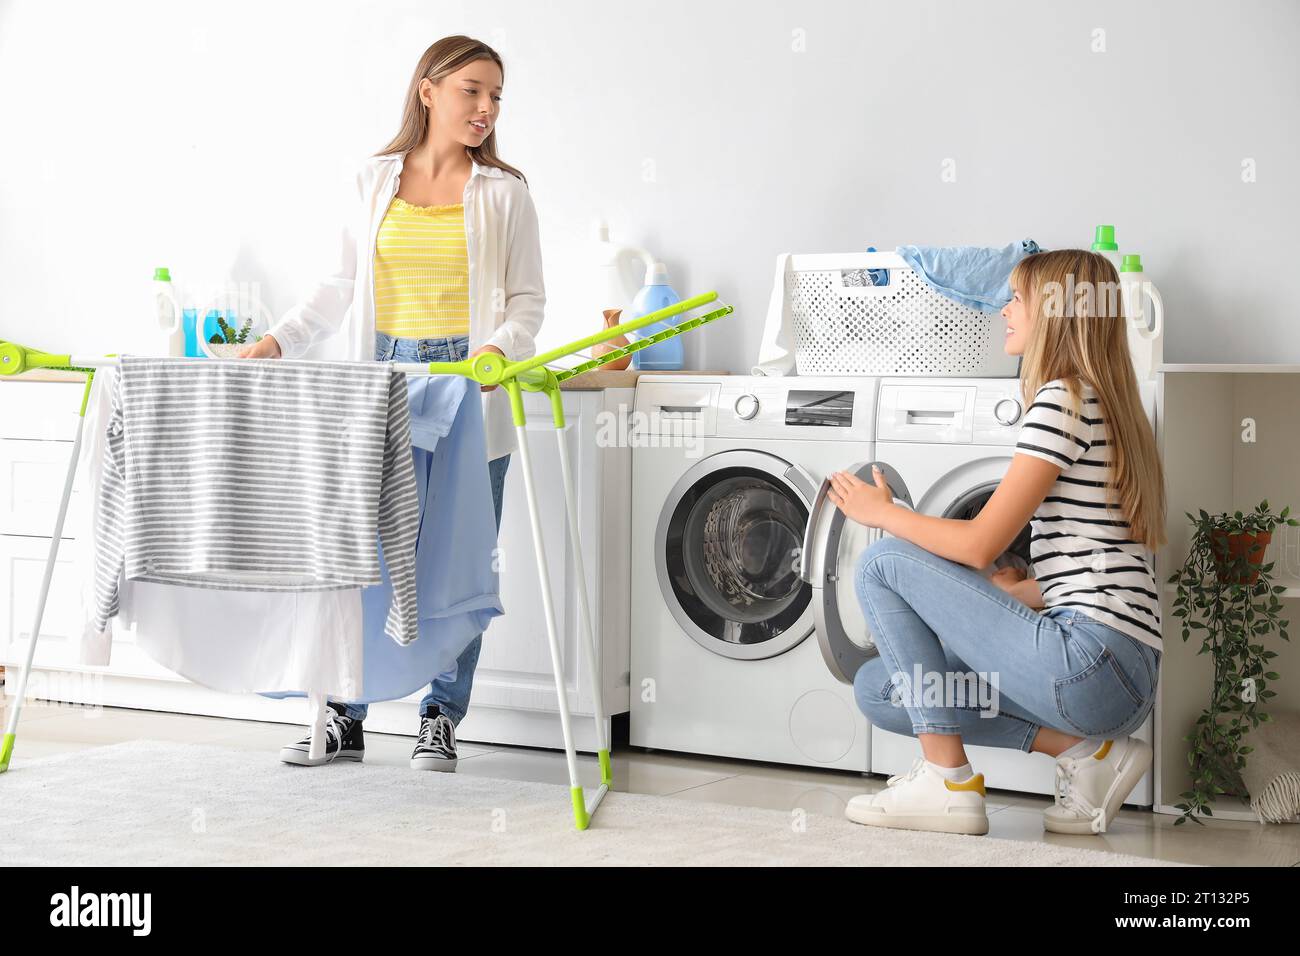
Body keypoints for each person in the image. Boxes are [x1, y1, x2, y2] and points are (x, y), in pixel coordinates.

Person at [238, 35, 544, 772]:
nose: (486, 107)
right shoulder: (373, 181)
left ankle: (441, 716)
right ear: (429, 90)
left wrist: (499, 351)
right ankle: (344, 715)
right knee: (362, 559)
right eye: (472, 89)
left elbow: (529, 300)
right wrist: (275, 341)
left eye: (496, 96)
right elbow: (336, 289)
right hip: (381, 386)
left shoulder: (505, 192)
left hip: (470, 387)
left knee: (458, 558)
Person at [828, 249, 1164, 835]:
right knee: (881, 688)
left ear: (1057, 312)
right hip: (1120, 673)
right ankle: (1087, 755)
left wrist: (882, 513)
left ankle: (947, 785)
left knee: (882, 563)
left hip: (1090, 663)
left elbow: (982, 542)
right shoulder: (1110, 403)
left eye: (1016, 298)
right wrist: (1017, 596)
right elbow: (1099, 565)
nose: (1004, 310)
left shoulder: (1062, 399)